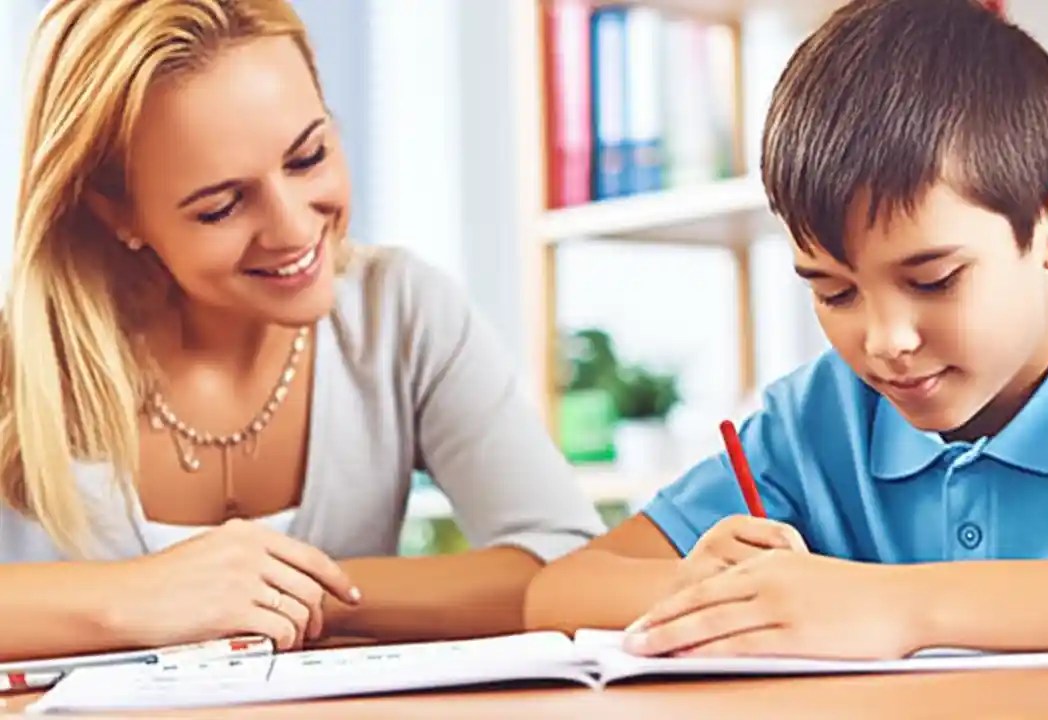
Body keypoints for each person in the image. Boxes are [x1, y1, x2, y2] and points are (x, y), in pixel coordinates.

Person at [526, 0, 1048, 659]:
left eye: (933, 281)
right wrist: (701, 586)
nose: (884, 340)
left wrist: (901, 607)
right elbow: (561, 594)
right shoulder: (814, 424)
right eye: (833, 292)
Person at [0, 0, 603, 662]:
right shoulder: (18, 358)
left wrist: (284, 591)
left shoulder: (399, 312)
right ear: (116, 213)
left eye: (308, 156)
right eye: (221, 206)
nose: (293, 230)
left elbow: (570, 564)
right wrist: (140, 598)